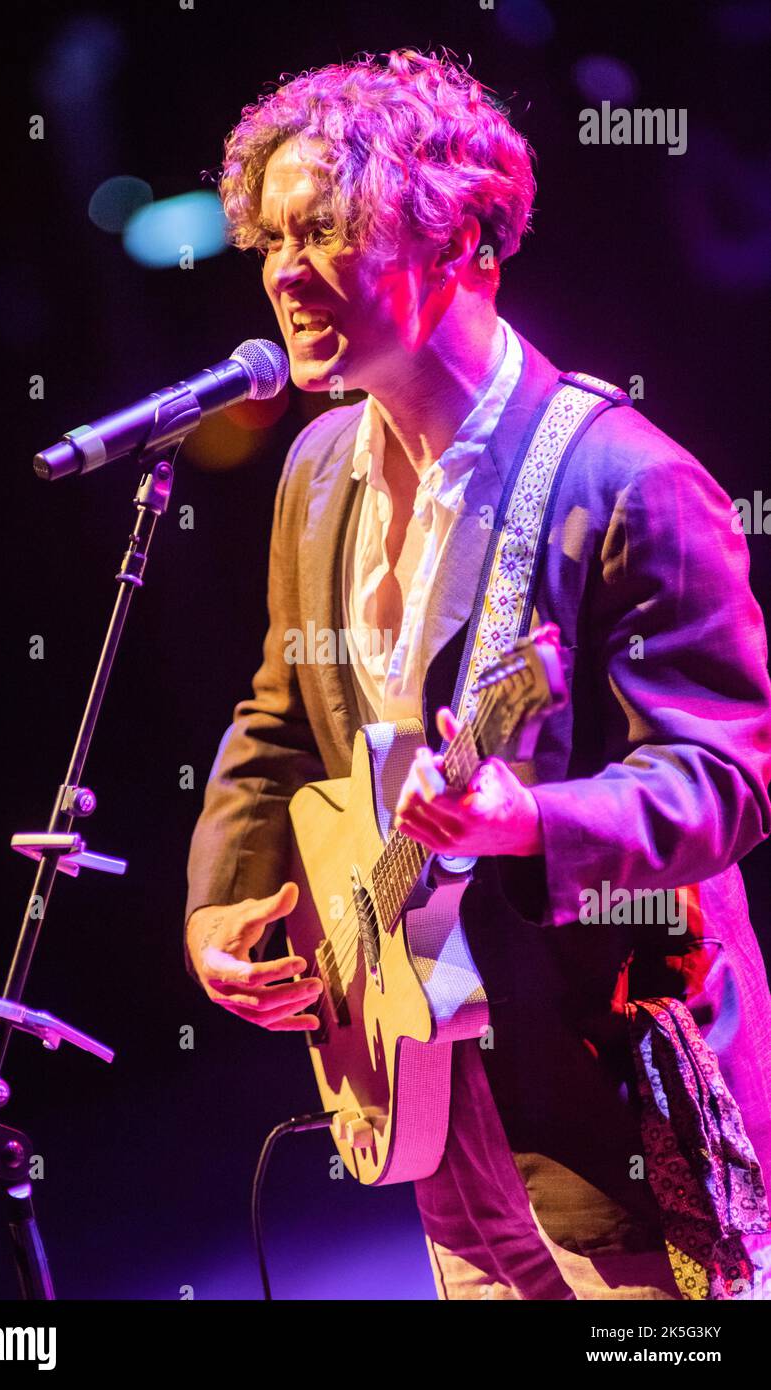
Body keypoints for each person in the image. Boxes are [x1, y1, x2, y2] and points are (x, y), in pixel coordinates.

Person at [183, 49, 771, 1299]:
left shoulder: (630, 483)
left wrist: (531, 821)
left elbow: (726, 781)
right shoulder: (316, 470)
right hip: (429, 1090)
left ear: (464, 240)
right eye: (269, 237)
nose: (284, 271)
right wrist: (220, 905)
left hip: (618, 1098)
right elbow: (281, 716)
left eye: (327, 228)